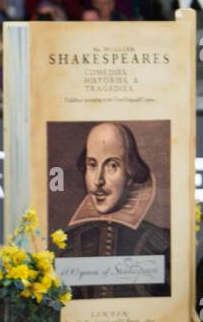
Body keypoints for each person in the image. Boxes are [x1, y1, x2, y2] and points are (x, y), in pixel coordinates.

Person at [62, 122, 170, 299]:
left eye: (112, 165)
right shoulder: (68, 243)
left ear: (130, 174)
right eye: (92, 164)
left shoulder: (159, 241)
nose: (99, 180)